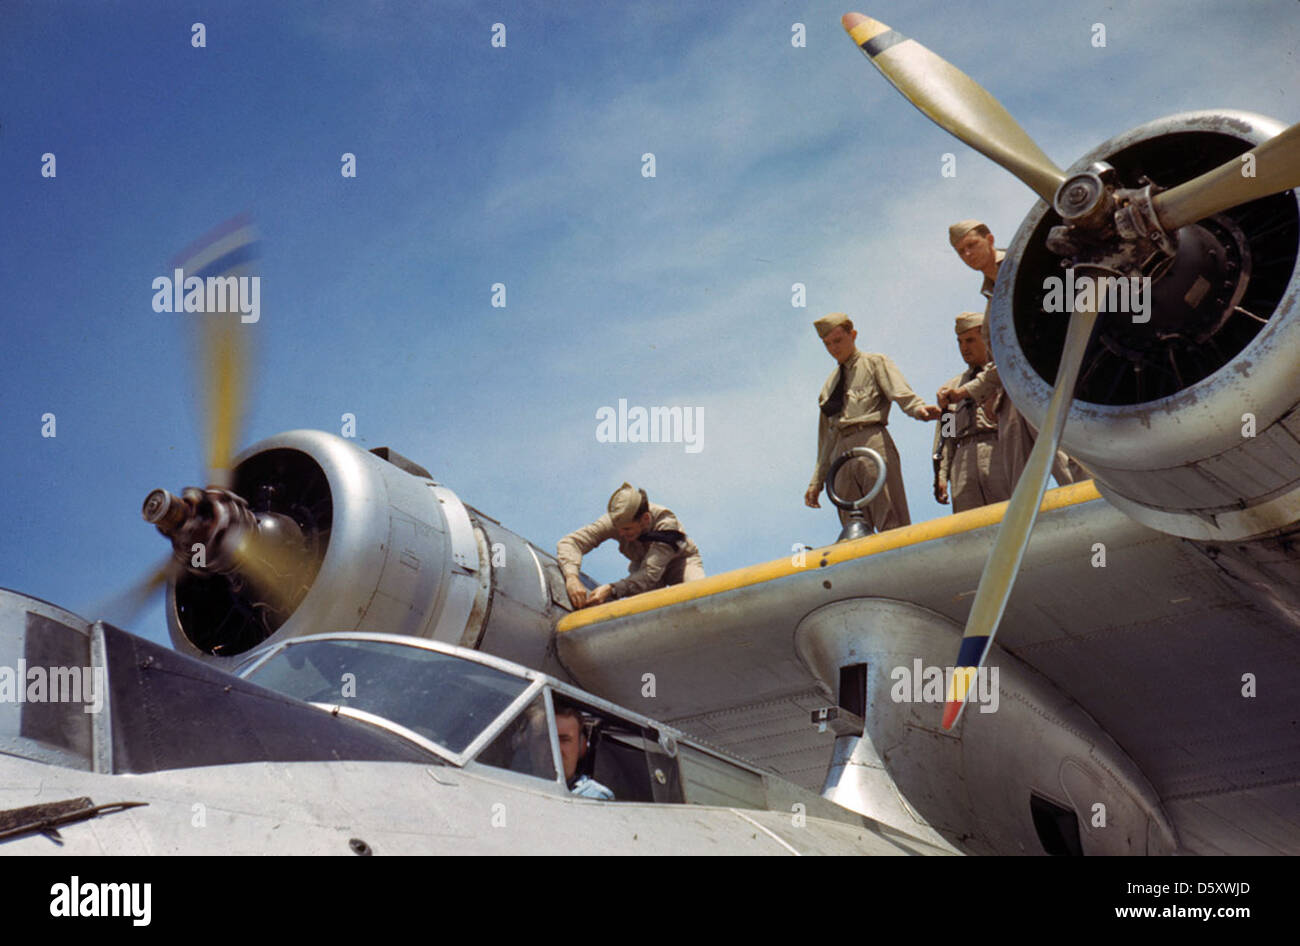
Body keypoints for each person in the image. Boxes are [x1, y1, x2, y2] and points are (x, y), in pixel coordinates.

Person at [942, 220, 1082, 490]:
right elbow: (944, 433)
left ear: (990, 239)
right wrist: (942, 470)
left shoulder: (1026, 266)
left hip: (1047, 384)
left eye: (972, 245)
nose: (968, 255)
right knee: (1019, 487)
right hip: (993, 426)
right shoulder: (953, 387)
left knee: (1073, 467)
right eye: (961, 251)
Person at [804, 312, 942, 532]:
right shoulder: (829, 387)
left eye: (838, 341)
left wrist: (919, 409)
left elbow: (900, 392)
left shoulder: (875, 363)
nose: (833, 348)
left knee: (891, 518)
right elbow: (826, 438)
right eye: (827, 344)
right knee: (853, 528)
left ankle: (902, 564)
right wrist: (817, 481)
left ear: (853, 335)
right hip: (840, 453)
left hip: (871, 440)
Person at [557, 483, 704, 609]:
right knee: (640, 617)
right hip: (642, 565)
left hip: (679, 563)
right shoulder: (616, 522)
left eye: (627, 529)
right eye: (617, 528)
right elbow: (571, 542)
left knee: (701, 598)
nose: (620, 533)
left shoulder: (666, 523)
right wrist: (572, 577)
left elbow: (650, 574)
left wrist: (612, 589)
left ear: (645, 519)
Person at [933, 312, 1010, 512]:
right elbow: (946, 436)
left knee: (1008, 516)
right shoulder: (950, 388)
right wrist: (941, 476)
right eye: (959, 342)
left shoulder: (1003, 377)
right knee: (969, 529)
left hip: (998, 451)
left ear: (985, 339)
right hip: (962, 460)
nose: (964, 348)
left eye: (970, 340)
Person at [555, 704, 614, 800]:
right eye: (545, 738)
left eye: (564, 740)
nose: (555, 749)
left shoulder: (594, 796)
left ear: (581, 747)